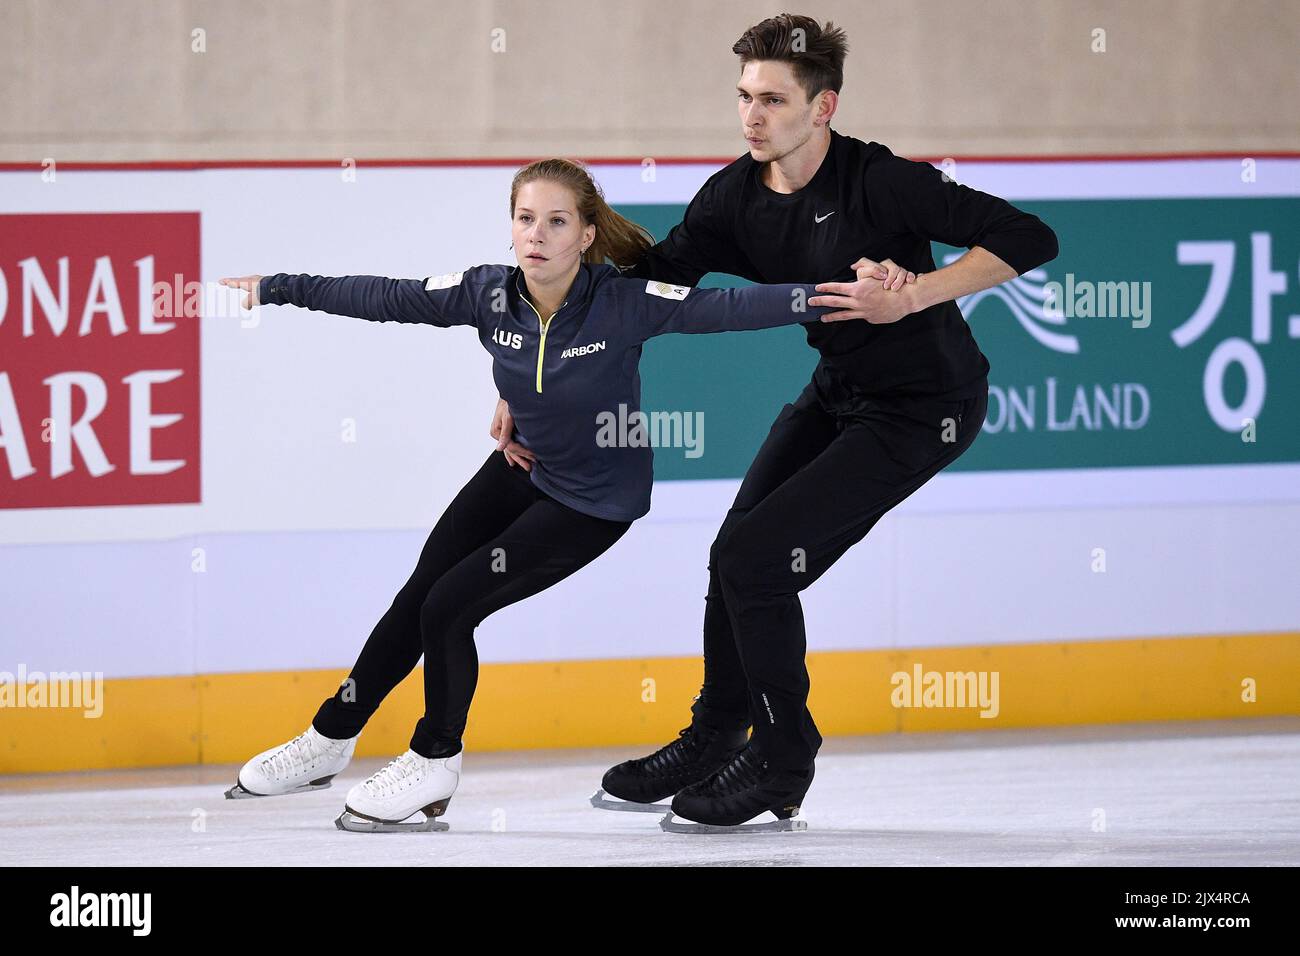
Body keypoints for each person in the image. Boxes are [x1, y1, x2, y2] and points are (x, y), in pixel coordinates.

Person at [492, 14, 1060, 830]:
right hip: (838, 391)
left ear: (823, 106)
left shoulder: (882, 181)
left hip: (926, 407)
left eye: (773, 100)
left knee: (757, 559)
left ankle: (783, 760)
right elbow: (639, 291)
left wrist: (914, 294)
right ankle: (718, 731)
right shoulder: (732, 198)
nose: (751, 117)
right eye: (744, 97)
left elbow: (1028, 236)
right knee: (736, 556)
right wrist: (535, 370)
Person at [216, 157, 873, 832]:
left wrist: (840, 293)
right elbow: (385, 296)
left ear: (585, 235)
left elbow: (731, 307)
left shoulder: (623, 302)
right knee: (420, 594)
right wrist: (277, 287)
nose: (537, 235)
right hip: (524, 466)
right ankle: (330, 738)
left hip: (590, 504)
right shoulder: (487, 295)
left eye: (557, 222)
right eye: (525, 219)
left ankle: (433, 761)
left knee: (447, 607)